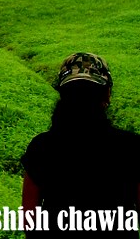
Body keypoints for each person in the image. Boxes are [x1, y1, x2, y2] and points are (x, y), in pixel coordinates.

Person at [21, 52, 140, 236]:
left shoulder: (41, 147)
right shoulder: (131, 147)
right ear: (107, 94)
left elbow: (29, 220)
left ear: (62, 94)